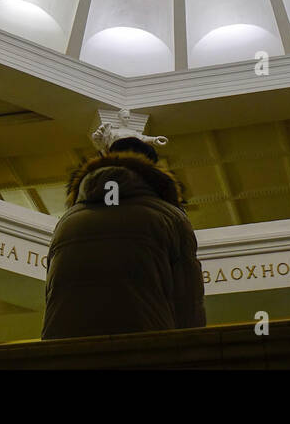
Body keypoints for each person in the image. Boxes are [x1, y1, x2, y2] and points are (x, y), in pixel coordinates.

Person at [41, 126, 206, 340]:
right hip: (142, 345)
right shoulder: (170, 218)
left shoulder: (68, 220)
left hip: (64, 347)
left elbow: (52, 292)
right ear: (152, 169)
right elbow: (188, 299)